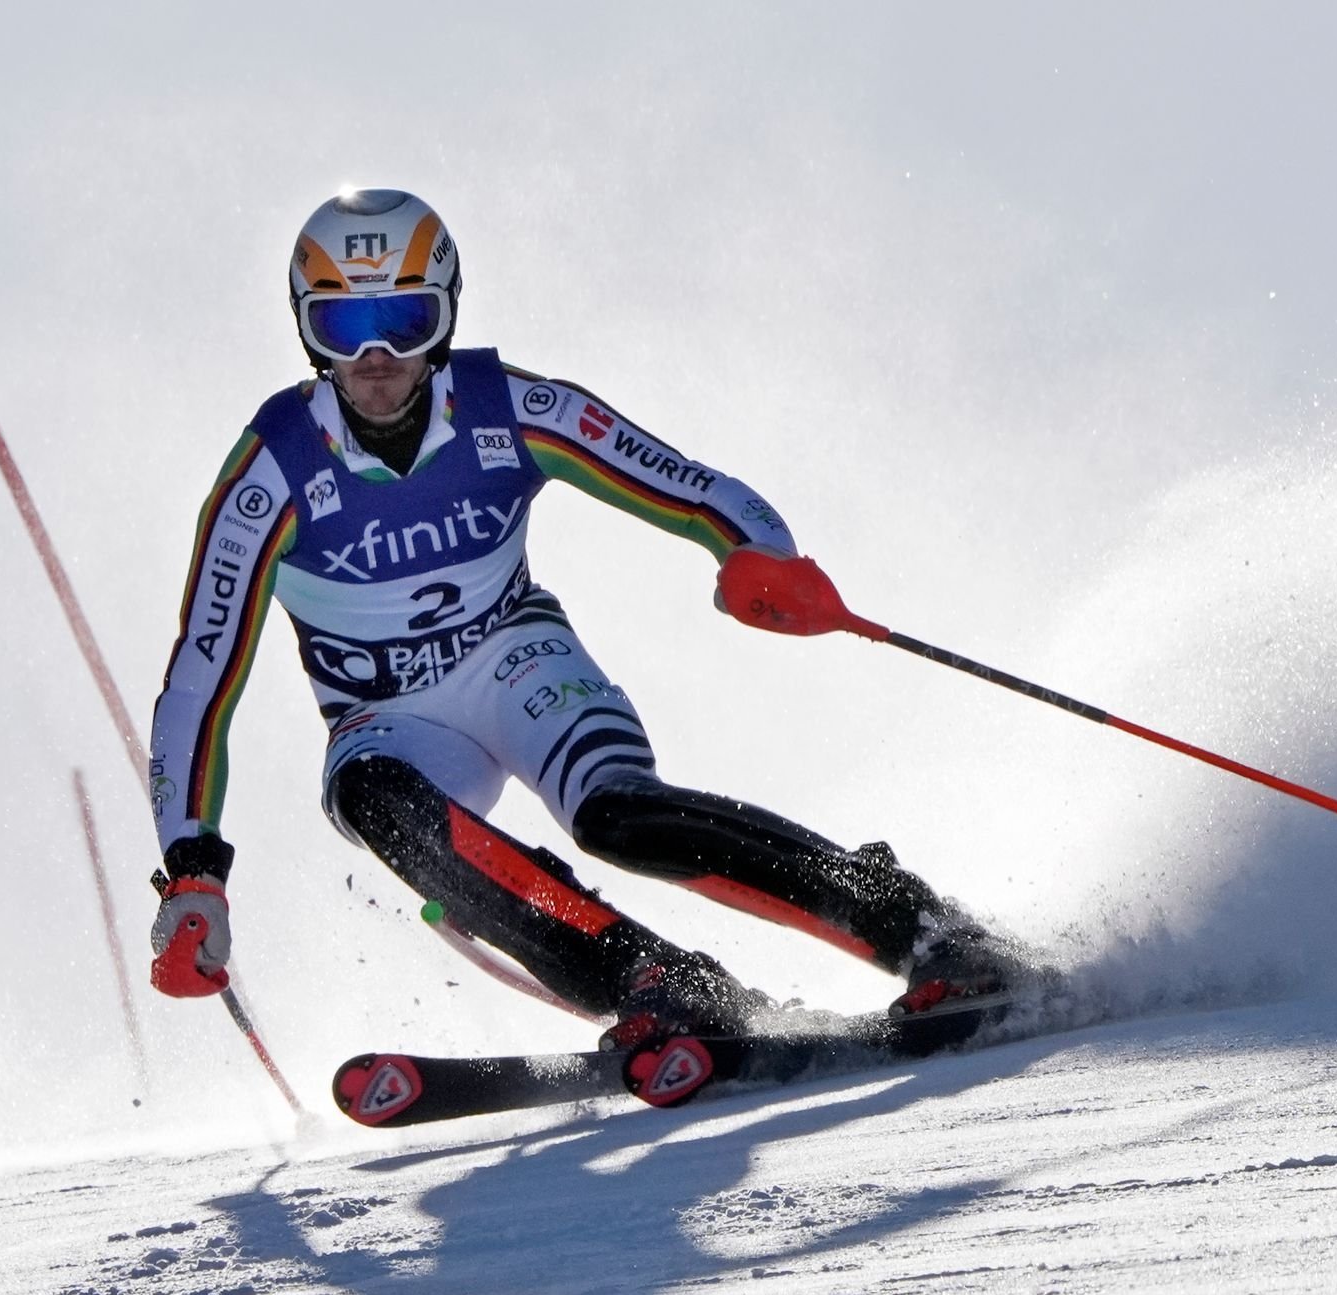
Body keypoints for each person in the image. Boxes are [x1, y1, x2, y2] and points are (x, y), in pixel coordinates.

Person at [146, 188, 1023, 1104]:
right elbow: (200, 682)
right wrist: (192, 875)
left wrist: (758, 555)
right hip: (390, 719)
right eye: (343, 326)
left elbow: (694, 486)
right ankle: (656, 982)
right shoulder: (270, 475)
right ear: (305, 330)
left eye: (405, 322)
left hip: (516, 662)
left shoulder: (511, 407)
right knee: (371, 798)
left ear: (446, 317)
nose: (376, 359)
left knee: (616, 816)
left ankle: (926, 932)